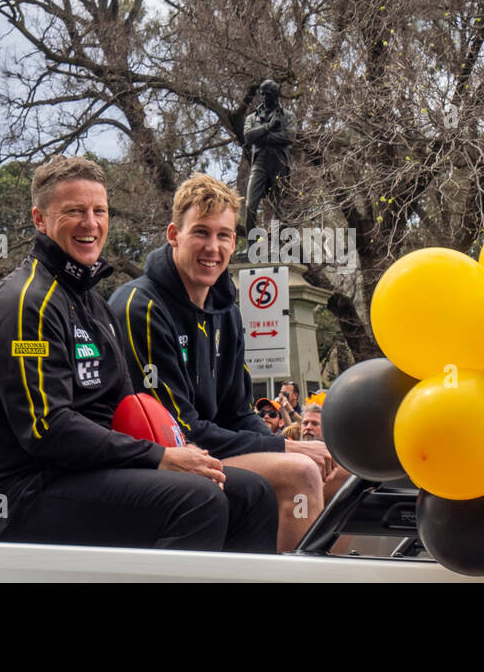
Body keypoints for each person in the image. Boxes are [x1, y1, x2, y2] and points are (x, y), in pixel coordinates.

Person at [0, 154, 276, 551]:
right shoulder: (26, 305)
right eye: (73, 211)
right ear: (39, 219)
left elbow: (129, 403)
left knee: (251, 493)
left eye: (99, 210)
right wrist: (158, 457)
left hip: (87, 473)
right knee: (198, 500)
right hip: (24, 492)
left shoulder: (91, 302)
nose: (90, 223)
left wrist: (177, 448)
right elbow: (47, 429)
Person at [110, 173, 335, 551]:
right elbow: (179, 431)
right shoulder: (141, 307)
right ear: (173, 235)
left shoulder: (225, 309)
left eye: (224, 235)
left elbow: (238, 412)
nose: (212, 247)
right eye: (200, 232)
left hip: (208, 450)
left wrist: (284, 442)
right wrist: (286, 449)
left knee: (340, 470)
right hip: (161, 462)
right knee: (300, 472)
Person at [241, 79, 293, 232]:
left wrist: (262, 138)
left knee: (279, 206)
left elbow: (289, 137)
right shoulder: (252, 117)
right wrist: (269, 127)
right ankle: (252, 243)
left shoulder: (287, 115)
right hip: (260, 161)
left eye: (267, 94)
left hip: (280, 162)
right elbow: (248, 136)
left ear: (275, 95)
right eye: (261, 94)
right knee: (250, 204)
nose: (264, 97)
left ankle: (278, 243)